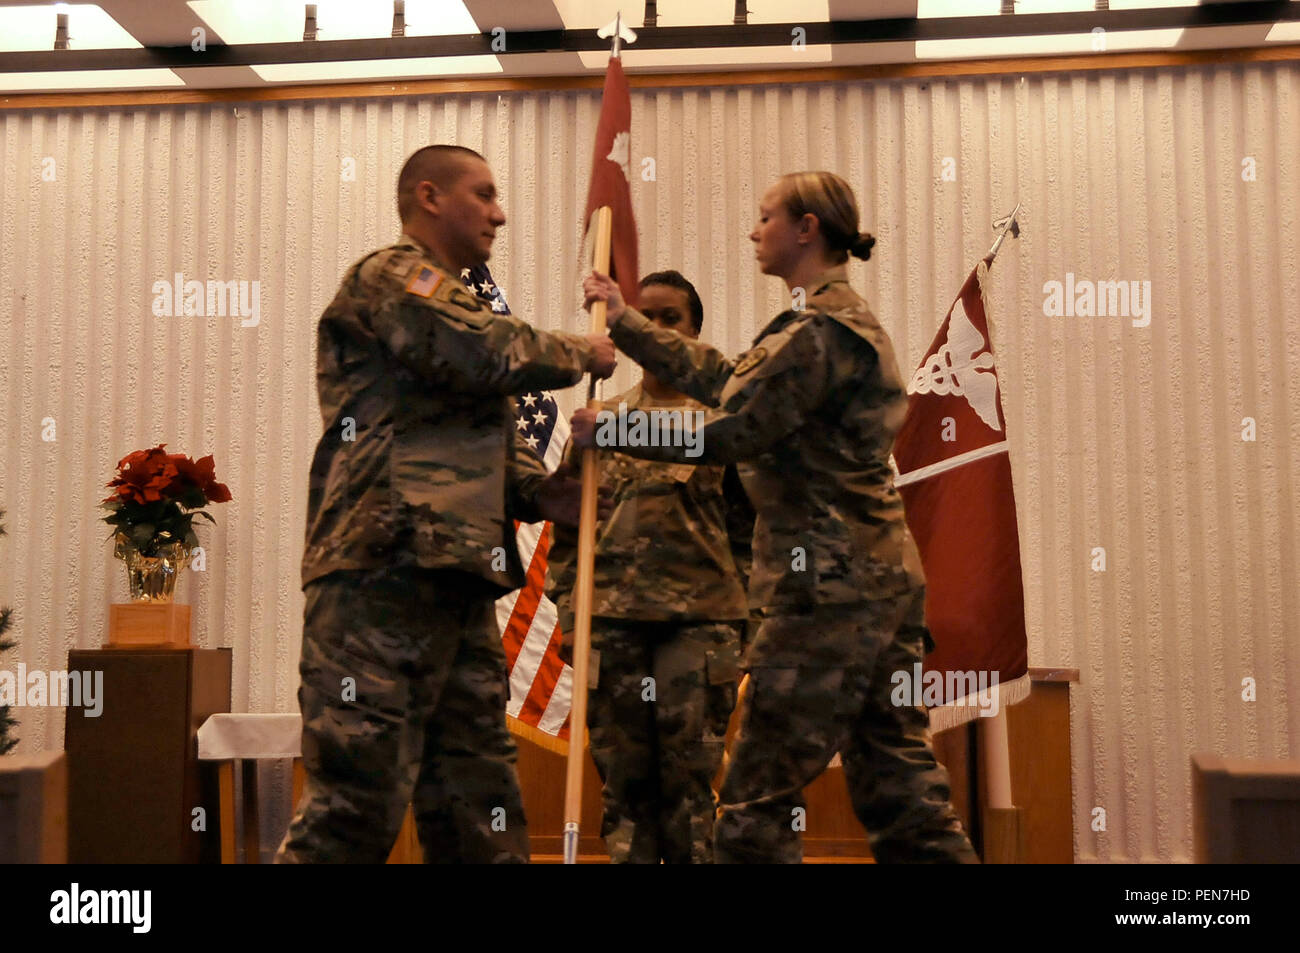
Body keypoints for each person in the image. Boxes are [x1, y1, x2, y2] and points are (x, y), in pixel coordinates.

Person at [574, 171, 979, 864]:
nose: (753, 231)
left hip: (823, 595)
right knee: (904, 795)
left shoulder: (819, 329)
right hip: (874, 585)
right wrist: (628, 323)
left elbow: (729, 429)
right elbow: (734, 380)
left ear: (807, 229)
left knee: (756, 806)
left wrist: (611, 431)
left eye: (766, 217)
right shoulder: (824, 325)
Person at [276, 144, 616, 864]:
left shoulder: (455, 313)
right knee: (355, 808)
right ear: (429, 197)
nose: (500, 213)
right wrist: (582, 351)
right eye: (483, 194)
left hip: (458, 586)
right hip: (380, 576)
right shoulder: (395, 276)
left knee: (480, 810)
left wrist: (569, 475)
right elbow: (481, 348)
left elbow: (518, 474)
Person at [548, 271, 752, 864]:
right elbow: (566, 535)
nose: (658, 329)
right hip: (612, 630)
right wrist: (569, 618)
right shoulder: (594, 423)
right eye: (648, 317)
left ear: (694, 333)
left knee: (691, 795)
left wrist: (750, 626)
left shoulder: (726, 425)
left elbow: (754, 534)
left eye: (672, 319)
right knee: (626, 798)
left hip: (700, 630)